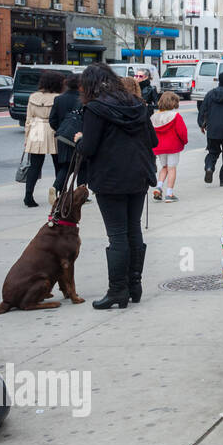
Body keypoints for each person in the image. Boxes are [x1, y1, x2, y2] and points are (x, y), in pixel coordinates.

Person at [75, 63, 156, 310]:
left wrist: (79, 141)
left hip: (110, 179)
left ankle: (117, 290)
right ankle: (135, 285)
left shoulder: (95, 109)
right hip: (138, 176)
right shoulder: (136, 105)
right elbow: (152, 140)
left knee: (117, 235)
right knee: (134, 230)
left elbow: (88, 148)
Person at [22, 70, 63, 208]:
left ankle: (28, 196)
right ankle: (58, 193)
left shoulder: (33, 96)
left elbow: (28, 119)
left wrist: (27, 137)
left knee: (34, 165)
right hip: (52, 129)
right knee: (58, 164)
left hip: (36, 128)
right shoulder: (58, 97)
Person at [49, 74, 84, 197]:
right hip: (80, 137)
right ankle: (80, 194)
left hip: (63, 138)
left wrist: (62, 130)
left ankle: (56, 187)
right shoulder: (83, 99)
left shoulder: (59, 99)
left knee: (65, 165)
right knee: (83, 165)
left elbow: (52, 120)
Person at [151, 91, 189, 202]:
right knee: (172, 168)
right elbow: (182, 132)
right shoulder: (175, 116)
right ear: (173, 103)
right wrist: (184, 141)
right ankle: (169, 194)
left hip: (159, 147)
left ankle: (159, 186)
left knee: (164, 167)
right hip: (173, 146)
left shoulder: (154, 117)